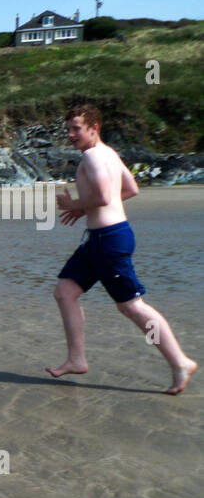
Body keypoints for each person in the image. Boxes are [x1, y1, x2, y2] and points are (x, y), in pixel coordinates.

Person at [48, 104, 195, 394]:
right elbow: (130, 189)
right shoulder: (109, 154)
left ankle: (179, 361)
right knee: (65, 292)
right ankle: (76, 359)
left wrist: (75, 205)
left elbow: (104, 196)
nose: (70, 134)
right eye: (68, 129)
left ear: (94, 128)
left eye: (76, 128)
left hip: (109, 240)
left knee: (130, 305)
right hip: (97, 239)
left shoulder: (92, 156)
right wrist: (84, 212)